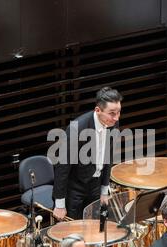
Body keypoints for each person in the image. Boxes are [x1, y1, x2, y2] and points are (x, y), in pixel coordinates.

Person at [52, 87, 122, 220]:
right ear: (98, 110)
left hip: (95, 184)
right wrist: (60, 203)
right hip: (75, 188)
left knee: (95, 229)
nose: (116, 118)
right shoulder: (77, 128)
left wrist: (104, 190)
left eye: (119, 112)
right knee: (74, 230)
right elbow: (62, 167)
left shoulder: (113, 124)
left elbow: (108, 157)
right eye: (112, 113)